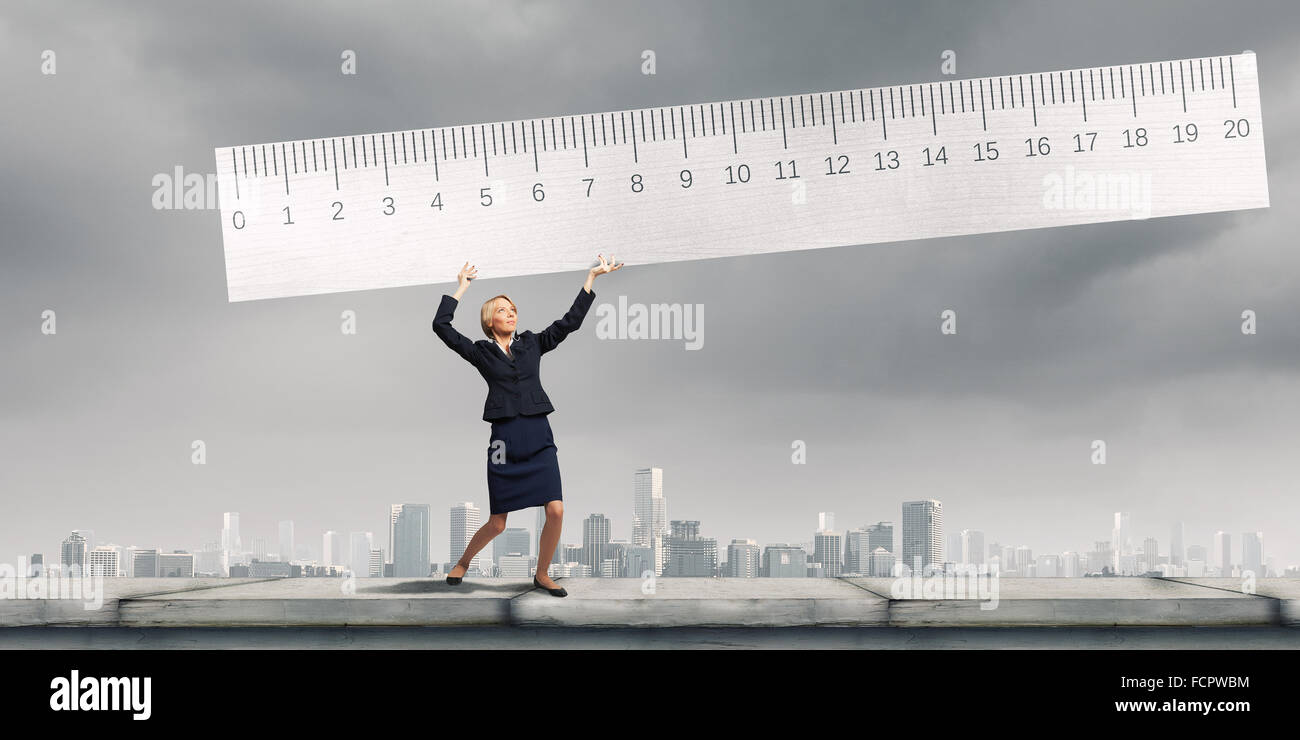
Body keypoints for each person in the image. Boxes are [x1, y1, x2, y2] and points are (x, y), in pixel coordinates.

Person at [432, 254, 624, 596]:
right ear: (490, 320)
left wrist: (591, 280)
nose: (512, 313)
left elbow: (568, 324)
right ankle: (463, 561)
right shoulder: (480, 352)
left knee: (556, 509)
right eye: (504, 310)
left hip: (539, 436)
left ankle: (542, 574)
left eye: (513, 309)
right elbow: (442, 327)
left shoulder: (532, 343)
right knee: (498, 522)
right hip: (503, 441)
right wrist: (460, 288)